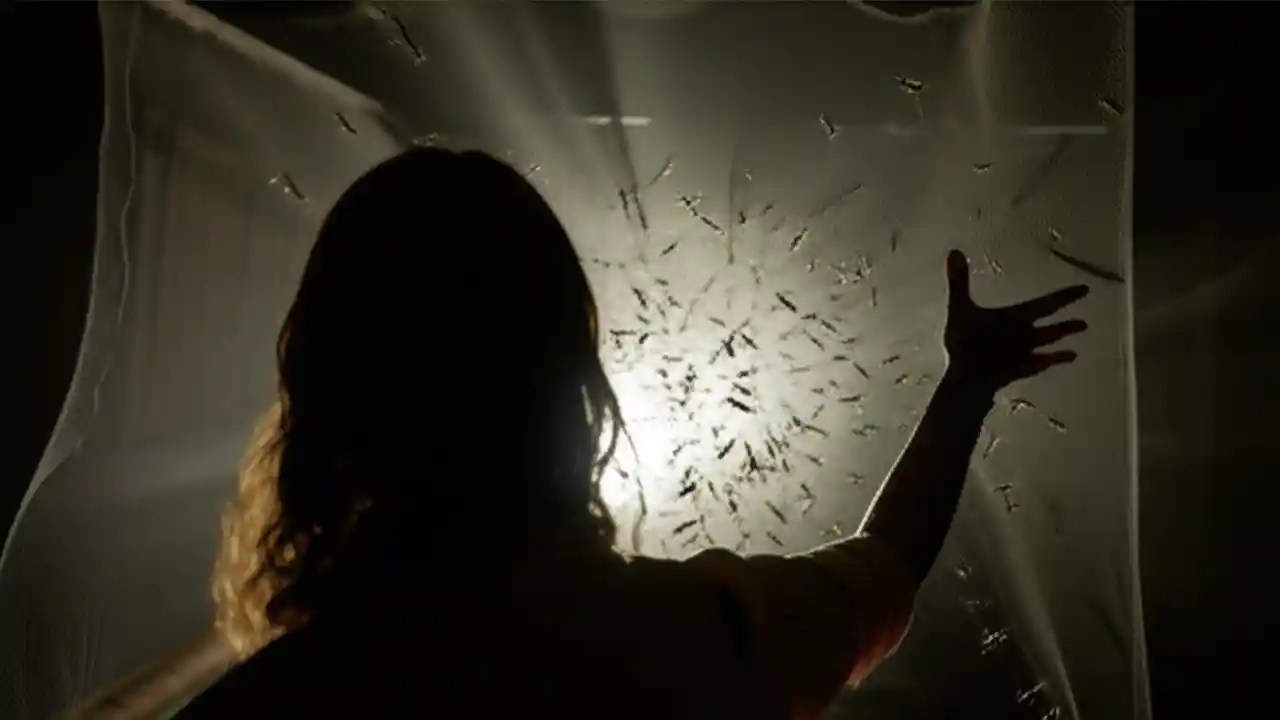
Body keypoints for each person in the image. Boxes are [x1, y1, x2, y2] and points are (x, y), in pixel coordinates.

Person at [76, 147, 1089, 719]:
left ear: (326, 400)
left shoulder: (263, 712)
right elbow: (884, 569)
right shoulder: (695, 637)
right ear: (569, 392)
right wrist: (963, 390)